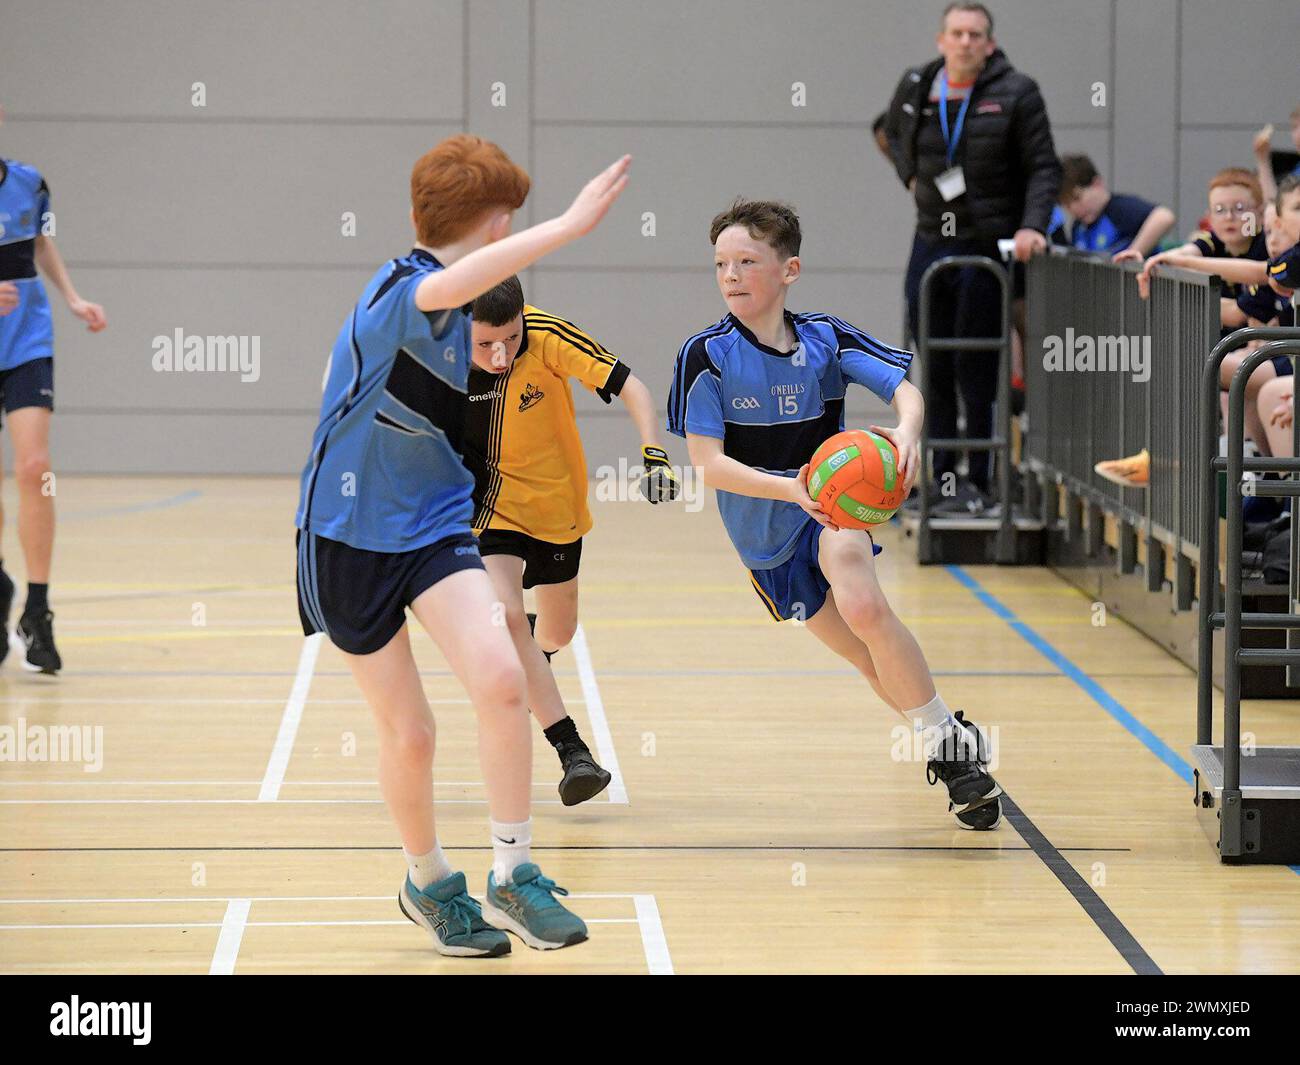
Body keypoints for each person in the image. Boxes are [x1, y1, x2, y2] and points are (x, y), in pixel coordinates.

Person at [295, 133, 630, 956]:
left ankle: (513, 873)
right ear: (495, 227)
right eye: (504, 226)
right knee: (411, 733)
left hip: (435, 525)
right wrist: (568, 226)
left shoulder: (482, 328)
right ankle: (429, 883)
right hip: (349, 538)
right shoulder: (396, 295)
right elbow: (446, 282)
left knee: (503, 678)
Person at [666, 198, 1004, 830]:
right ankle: (946, 732)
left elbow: (904, 389)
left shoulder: (824, 337)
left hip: (832, 510)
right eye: (721, 264)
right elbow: (708, 465)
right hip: (763, 532)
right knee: (862, 656)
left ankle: (952, 759)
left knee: (868, 606)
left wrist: (907, 431)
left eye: (747, 261)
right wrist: (788, 487)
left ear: (788, 270)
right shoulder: (705, 355)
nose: (731, 275)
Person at [463, 275, 678, 805]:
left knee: (556, 632)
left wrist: (653, 451)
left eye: (510, 339)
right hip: (489, 513)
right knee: (506, 617)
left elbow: (631, 385)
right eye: (485, 343)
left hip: (558, 513)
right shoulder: (435, 355)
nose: (500, 354)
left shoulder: (547, 336)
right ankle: (572, 751)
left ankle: (536, 651)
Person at [885, 1, 1060, 515]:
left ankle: (978, 482)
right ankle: (939, 480)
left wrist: (1032, 226)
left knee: (975, 362)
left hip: (986, 242)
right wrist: (911, 178)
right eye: (957, 33)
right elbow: (890, 131)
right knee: (930, 357)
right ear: (941, 39)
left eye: (975, 35)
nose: (965, 42)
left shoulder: (1017, 92)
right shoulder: (918, 84)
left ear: (988, 43)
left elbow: (1044, 166)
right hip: (930, 240)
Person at [0, 103, 107, 674]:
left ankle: (37, 608)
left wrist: (71, 297)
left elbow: (40, 245)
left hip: (25, 342)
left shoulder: (28, 181)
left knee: (32, 466)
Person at [1057, 153, 1174, 258]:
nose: (1073, 209)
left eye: (1077, 198)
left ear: (1096, 184)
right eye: (1066, 205)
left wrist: (1132, 255)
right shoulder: (1078, 227)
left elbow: (1163, 217)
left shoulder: (1120, 208)